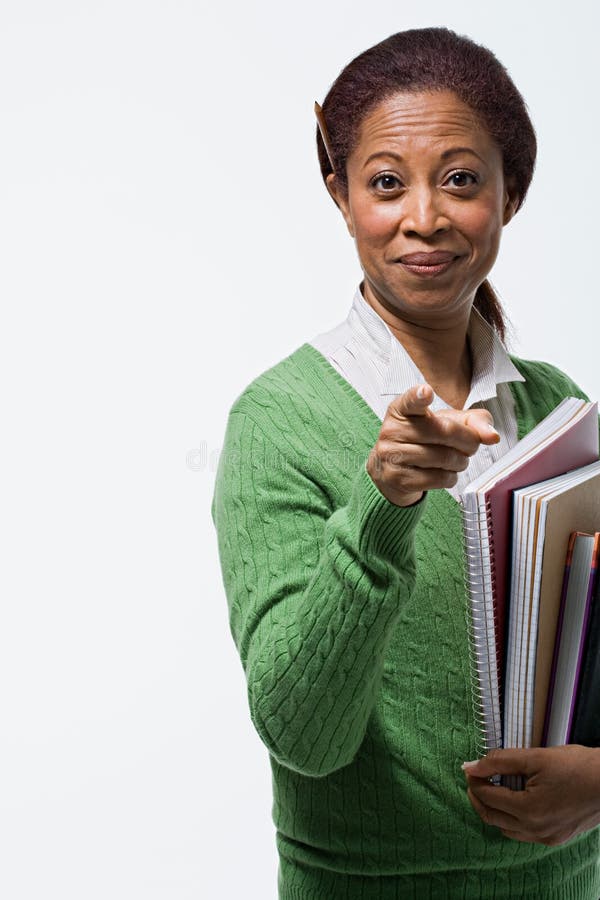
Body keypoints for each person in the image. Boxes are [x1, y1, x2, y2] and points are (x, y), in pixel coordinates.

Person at [211, 27, 600, 899]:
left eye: (461, 179)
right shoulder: (278, 421)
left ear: (512, 192)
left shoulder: (559, 408)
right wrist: (383, 502)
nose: (424, 216)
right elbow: (302, 735)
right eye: (386, 182)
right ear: (339, 193)